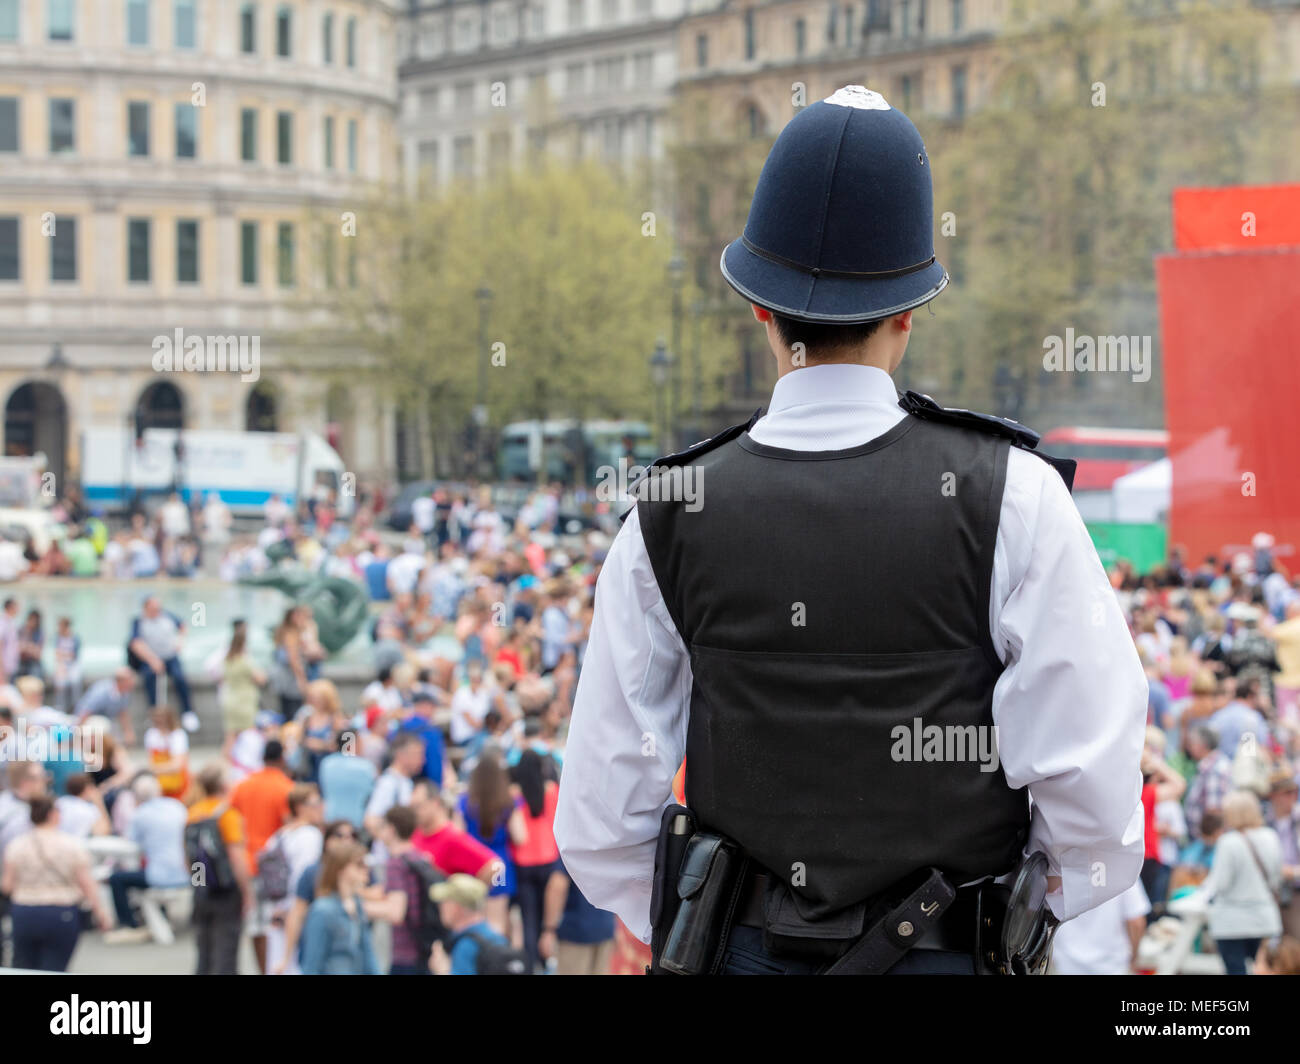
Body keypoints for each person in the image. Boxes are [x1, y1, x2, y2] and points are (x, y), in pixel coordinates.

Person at [555, 87, 1147, 975]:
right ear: (909, 316)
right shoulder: (1014, 496)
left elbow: (604, 818)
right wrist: (1010, 922)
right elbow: (1092, 792)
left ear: (759, 309)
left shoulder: (669, 510)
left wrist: (713, 929)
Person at [1177, 790, 1283, 974]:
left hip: (1232, 920)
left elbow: (1220, 884)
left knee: (1236, 969)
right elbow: (1276, 877)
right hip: (1263, 916)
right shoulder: (1270, 836)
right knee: (1263, 969)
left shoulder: (1228, 842)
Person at [0, 796, 109, 971]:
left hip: (25, 910)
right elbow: (87, 884)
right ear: (54, 815)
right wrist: (101, 912)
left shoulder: (17, 845)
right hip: (61, 910)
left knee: (23, 967)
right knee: (55, 968)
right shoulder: (71, 845)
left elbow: (7, 886)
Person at [230, 739, 294, 973]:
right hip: (274, 868)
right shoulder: (285, 787)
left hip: (247, 864)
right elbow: (289, 827)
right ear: (282, 758)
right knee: (276, 923)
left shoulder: (243, 785)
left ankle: (263, 970)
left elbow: (232, 818)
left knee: (256, 925)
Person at [104, 774, 189, 943]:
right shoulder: (177, 807)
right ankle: (160, 917)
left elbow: (131, 844)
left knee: (116, 879)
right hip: (189, 873)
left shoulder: (140, 815)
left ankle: (130, 925)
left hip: (160, 876)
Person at [188, 763, 253, 975]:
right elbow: (236, 857)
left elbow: (188, 856)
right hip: (225, 890)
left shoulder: (192, 813)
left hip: (202, 887)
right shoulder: (227, 815)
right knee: (226, 950)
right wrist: (246, 891)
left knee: (204, 949)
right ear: (224, 785)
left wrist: (199, 883)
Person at [458, 753, 525, 936]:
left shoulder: (464, 801)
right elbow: (520, 836)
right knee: (498, 919)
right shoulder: (509, 802)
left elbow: (459, 836)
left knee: (475, 916)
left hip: (474, 863)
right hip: (499, 863)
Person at [260, 783, 324, 974]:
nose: (321, 807)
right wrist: (294, 908)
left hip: (276, 907)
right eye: (316, 803)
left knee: (279, 963)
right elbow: (304, 876)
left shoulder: (278, 836)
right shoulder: (310, 835)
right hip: (297, 909)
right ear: (300, 807)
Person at [373, 804, 439, 975]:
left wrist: (359, 907)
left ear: (392, 829)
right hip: (423, 949)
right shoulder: (420, 857)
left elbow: (396, 912)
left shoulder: (396, 863)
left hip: (404, 956)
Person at [511, 749, 560, 973]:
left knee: (528, 919)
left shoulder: (514, 795)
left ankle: (531, 966)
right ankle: (547, 962)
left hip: (523, 862)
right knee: (547, 917)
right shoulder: (552, 791)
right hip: (548, 859)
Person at [299, 841, 379, 975]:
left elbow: (367, 953)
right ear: (340, 870)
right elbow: (312, 964)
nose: (366, 870)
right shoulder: (322, 910)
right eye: (359, 865)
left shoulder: (356, 905)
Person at [128, 595, 198, 733]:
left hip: (170, 656)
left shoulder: (168, 616)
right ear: (146, 608)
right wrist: (152, 660)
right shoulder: (138, 621)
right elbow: (135, 643)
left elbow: (183, 626)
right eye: (154, 608)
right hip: (151, 657)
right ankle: (154, 715)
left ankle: (188, 712)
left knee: (180, 678)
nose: (157, 610)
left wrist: (180, 640)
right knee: (149, 678)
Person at [1050, 880, 1151, 975]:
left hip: (1066, 965)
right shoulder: (1124, 868)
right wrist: (1134, 957)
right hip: (1111, 966)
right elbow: (1136, 923)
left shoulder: (1056, 865)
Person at [409, 778, 499, 883]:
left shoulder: (452, 837)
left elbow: (493, 865)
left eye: (418, 806)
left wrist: (473, 892)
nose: (415, 812)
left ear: (435, 803)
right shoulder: (416, 833)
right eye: (412, 807)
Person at [542, 859, 616, 976]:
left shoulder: (573, 845)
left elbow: (557, 886)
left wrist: (549, 929)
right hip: (605, 925)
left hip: (576, 931)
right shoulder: (609, 845)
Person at [433, 873, 510, 975]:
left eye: (444, 902)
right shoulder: (497, 938)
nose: (440, 907)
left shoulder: (466, 945)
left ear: (456, 907)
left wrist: (441, 970)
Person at [362, 732, 424, 843]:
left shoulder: (406, 782)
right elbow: (370, 820)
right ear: (401, 755)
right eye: (418, 754)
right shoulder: (388, 783)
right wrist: (392, 844)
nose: (423, 760)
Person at [219, 627, 265, 760]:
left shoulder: (228, 660)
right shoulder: (245, 661)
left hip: (230, 699)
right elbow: (261, 678)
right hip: (244, 702)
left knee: (230, 736)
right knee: (249, 734)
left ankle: (226, 763)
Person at [74, 668, 138, 746]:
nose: (133, 682)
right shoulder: (101, 691)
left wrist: (128, 732)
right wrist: (77, 733)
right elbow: (85, 712)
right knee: (104, 724)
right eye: (130, 680)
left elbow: (123, 713)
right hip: (87, 720)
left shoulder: (125, 693)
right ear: (121, 681)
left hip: (105, 722)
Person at [143, 705, 189, 801]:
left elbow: (177, 765)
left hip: (177, 782)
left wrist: (154, 769)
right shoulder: (151, 734)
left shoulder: (177, 735)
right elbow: (151, 759)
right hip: (160, 782)